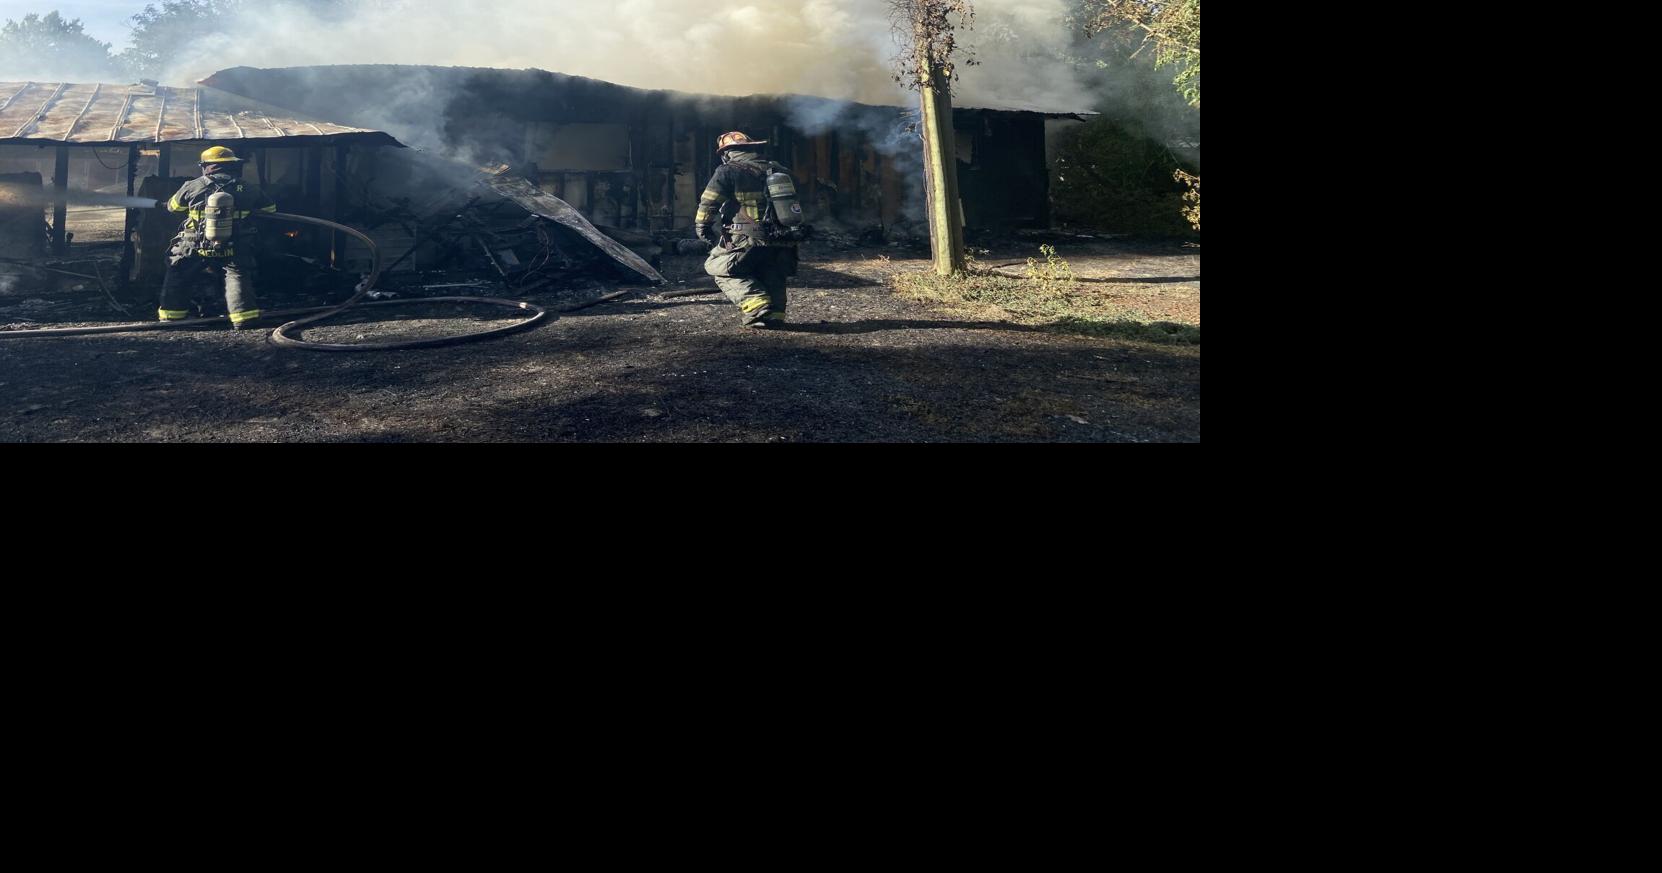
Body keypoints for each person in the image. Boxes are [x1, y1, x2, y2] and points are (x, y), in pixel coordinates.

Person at [158, 146, 277, 329]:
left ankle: (172, 316)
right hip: (235, 242)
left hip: (194, 243)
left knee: (179, 272)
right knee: (237, 274)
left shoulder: (193, 185)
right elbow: (270, 210)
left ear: (206, 166)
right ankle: (243, 318)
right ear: (232, 165)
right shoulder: (247, 187)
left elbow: (173, 208)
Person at [694, 131, 798, 329]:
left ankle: (756, 307)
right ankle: (775, 314)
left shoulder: (727, 171)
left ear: (727, 153)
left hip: (747, 235)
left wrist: (702, 227)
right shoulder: (780, 170)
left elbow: (708, 203)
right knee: (772, 271)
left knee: (720, 268)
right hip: (785, 235)